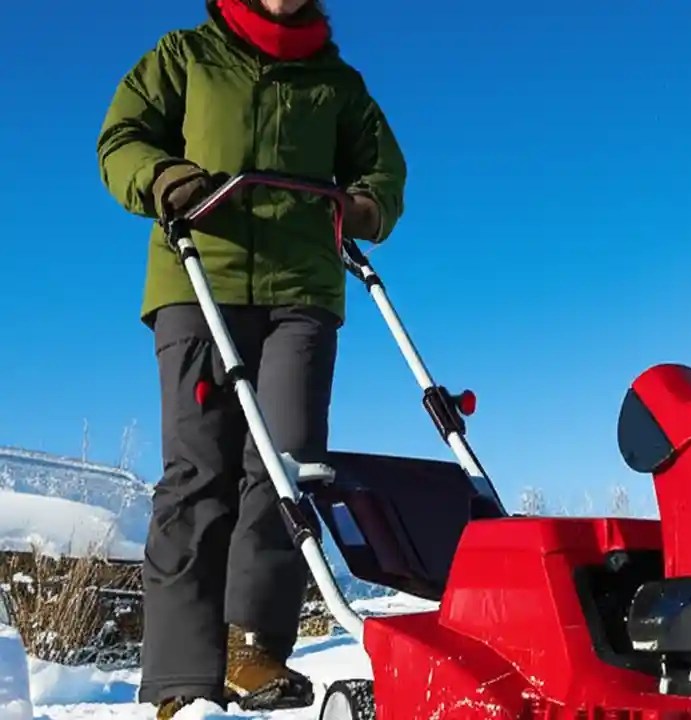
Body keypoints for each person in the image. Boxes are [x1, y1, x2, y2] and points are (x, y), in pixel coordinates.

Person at [96, 0, 407, 716]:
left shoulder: (338, 84)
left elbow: (383, 169)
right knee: (198, 471)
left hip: (302, 287)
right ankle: (180, 677)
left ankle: (252, 646)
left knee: (286, 465)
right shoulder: (185, 56)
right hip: (199, 273)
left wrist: (366, 207)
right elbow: (122, 138)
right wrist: (164, 178)